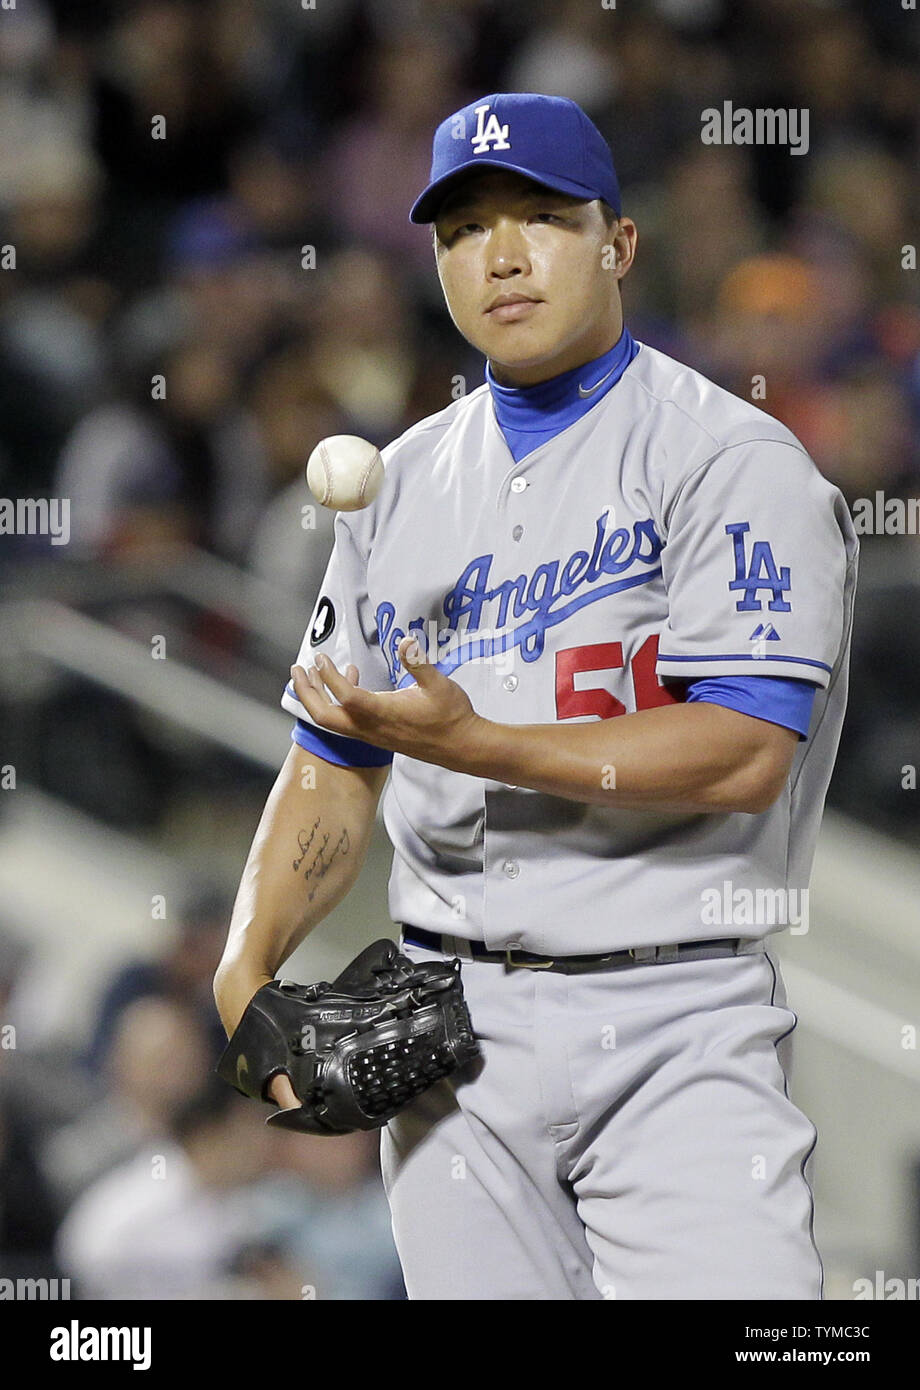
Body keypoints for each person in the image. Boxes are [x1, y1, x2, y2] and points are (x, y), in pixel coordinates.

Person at [214, 94, 858, 1300]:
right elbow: (332, 757)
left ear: (618, 243)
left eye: (542, 219)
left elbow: (740, 751)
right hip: (447, 1040)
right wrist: (242, 971)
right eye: (461, 230)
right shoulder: (396, 482)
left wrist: (478, 743)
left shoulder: (726, 461)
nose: (499, 255)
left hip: (674, 1013)